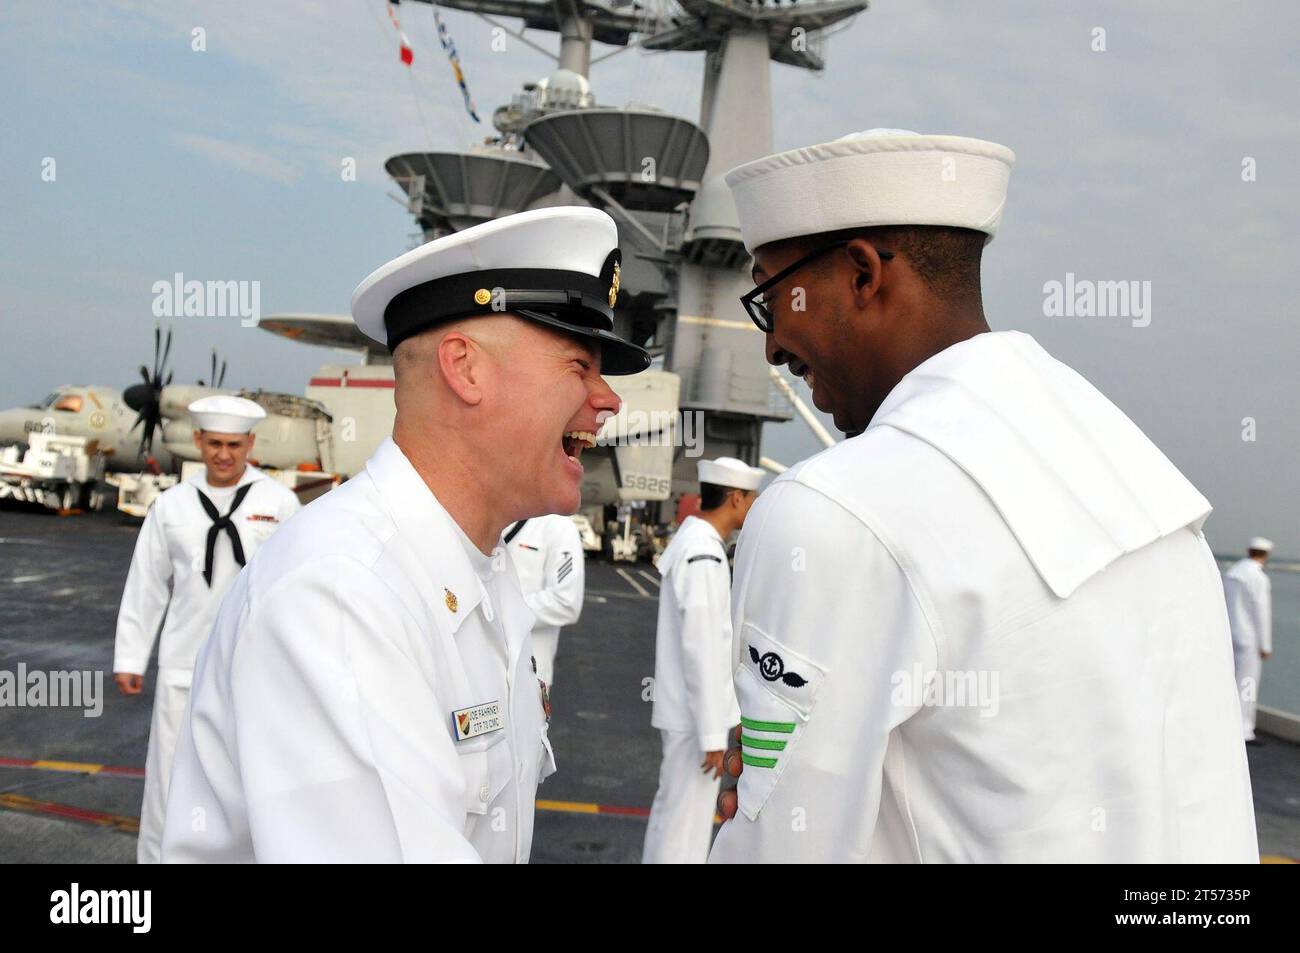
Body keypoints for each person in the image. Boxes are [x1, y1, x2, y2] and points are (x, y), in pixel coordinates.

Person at [709, 129, 1257, 862]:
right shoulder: (1144, 483)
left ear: (863, 274)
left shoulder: (835, 509)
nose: (772, 345)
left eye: (773, 300)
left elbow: (782, 848)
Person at [160, 207, 649, 862]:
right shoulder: (340, 597)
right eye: (578, 366)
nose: (607, 398)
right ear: (466, 368)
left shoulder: (482, 569)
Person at [113, 395, 300, 863]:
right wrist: (131, 658)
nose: (223, 454)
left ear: (250, 444)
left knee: (251, 783)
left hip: (254, 670)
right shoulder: (171, 506)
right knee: (167, 782)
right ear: (198, 441)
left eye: (234, 445)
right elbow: (147, 584)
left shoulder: (279, 504)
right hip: (182, 666)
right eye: (214, 443)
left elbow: (297, 586)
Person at [643, 457, 764, 864]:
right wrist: (713, 736)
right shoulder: (705, 557)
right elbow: (702, 648)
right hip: (696, 722)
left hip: (687, 714)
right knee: (685, 831)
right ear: (735, 498)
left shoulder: (693, 544)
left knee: (673, 819)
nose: (754, 505)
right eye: (752, 497)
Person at [501, 513, 586, 689]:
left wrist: (500, 613)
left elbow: (566, 602)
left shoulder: (558, 526)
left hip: (528, 675)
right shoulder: (488, 514)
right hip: (482, 667)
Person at [1224, 536, 1274, 744]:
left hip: (1230, 635)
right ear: (1266, 554)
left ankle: (1226, 723)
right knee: (1247, 684)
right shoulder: (1258, 577)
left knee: (1229, 682)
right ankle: (1244, 729)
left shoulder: (1232, 572)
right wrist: (1265, 645)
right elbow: (1261, 612)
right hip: (1249, 640)